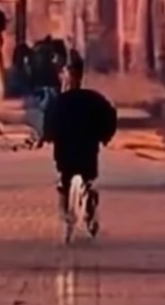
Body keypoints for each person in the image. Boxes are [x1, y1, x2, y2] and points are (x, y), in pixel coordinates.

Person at [42, 53, 117, 238]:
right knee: (87, 177)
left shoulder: (59, 102)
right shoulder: (94, 99)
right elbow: (109, 118)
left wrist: (48, 136)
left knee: (65, 179)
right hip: (87, 148)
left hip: (65, 148)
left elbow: (49, 123)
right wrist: (104, 137)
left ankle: (68, 211)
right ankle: (88, 199)